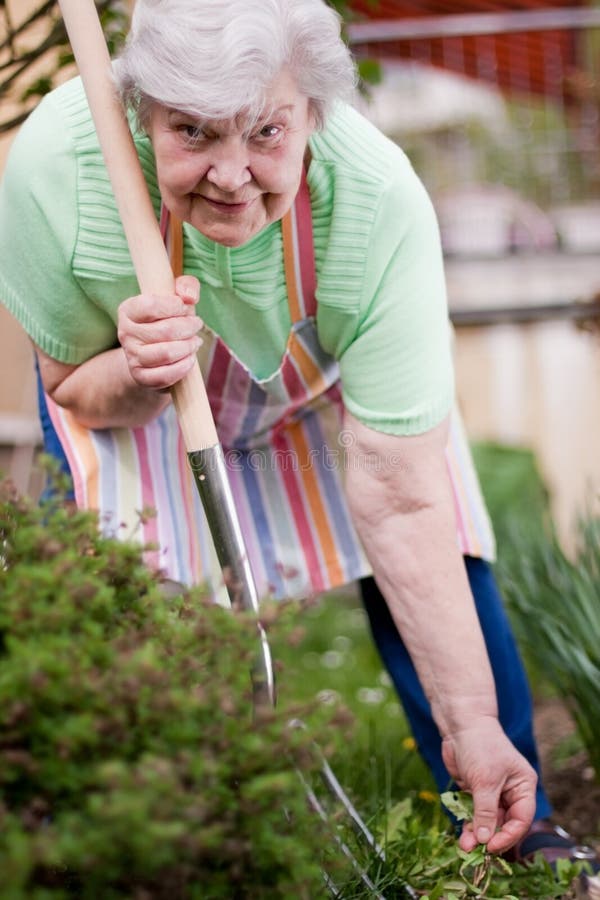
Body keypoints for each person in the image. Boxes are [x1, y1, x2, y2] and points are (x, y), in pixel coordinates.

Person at [0, 0, 541, 857]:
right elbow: (73, 390)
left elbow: (401, 499)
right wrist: (138, 370)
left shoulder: (374, 199)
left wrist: (469, 716)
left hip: (321, 394)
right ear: (140, 111)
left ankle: (503, 804)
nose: (229, 174)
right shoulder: (58, 175)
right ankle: (136, 839)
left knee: (435, 519)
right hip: (133, 383)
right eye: (192, 132)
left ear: (313, 113)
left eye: (263, 132)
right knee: (112, 595)